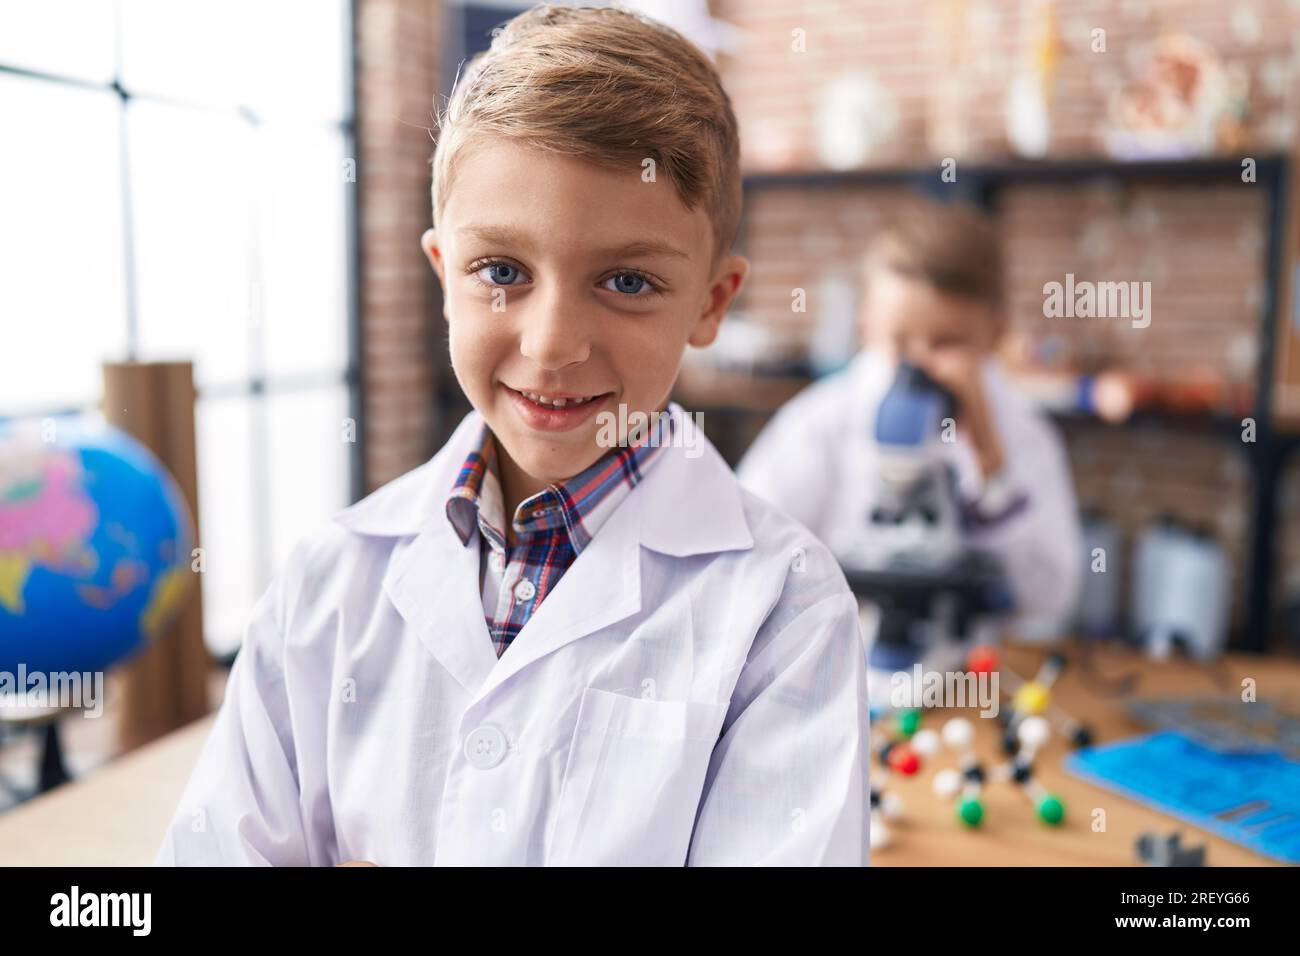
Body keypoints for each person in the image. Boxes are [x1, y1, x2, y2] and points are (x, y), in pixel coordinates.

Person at [155, 4, 867, 867]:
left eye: (628, 279)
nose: (550, 343)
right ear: (442, 276)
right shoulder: (326, 584)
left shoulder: (785, 612)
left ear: (712, 303)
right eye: (501, 272)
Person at [739, 202, 1083, 642]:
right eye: (900, 343)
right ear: (866, 323)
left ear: (996, 332)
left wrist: (991, 464)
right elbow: (745, 557)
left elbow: (1050, 600)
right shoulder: (818, 423)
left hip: (967, 674)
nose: (918, 366)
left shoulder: (1025, 434)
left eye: (947, 343)